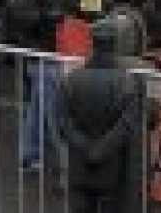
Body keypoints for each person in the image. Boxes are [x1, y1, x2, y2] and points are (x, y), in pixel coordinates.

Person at [59, 14, 146, 213]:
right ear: (115, 44)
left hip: (79, 164)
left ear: (92, 43)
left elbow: (63, 122)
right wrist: (102, 149)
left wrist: (85, 147)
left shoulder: (71, 79)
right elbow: (126, 124)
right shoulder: (126, 83)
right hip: (112, 166)